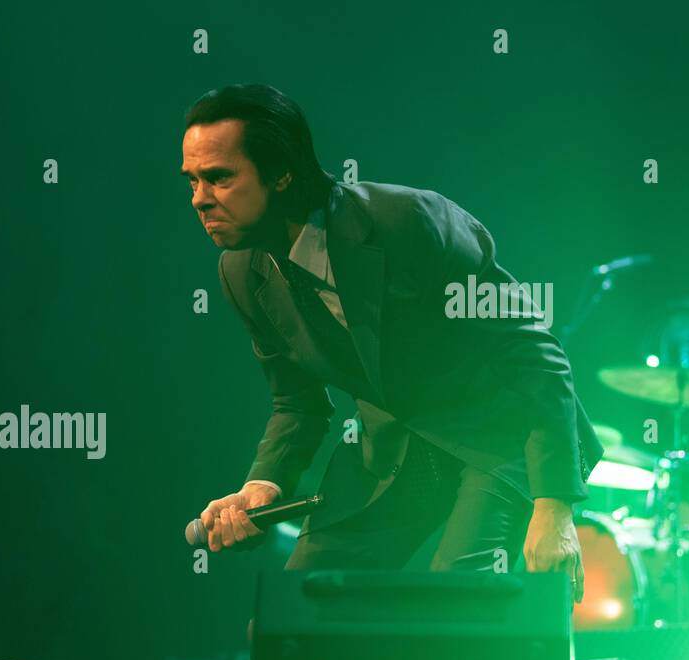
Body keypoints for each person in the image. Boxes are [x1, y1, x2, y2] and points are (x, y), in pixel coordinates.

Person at [183, 84, 602, 596]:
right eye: (193, 181)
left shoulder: (409, 221)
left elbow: (533, 355)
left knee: (454, 614)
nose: (200, 199)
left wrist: (554, 504)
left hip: (497, 437)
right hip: (387, 453)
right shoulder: (241, 273)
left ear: (282, 173)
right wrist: (262, 484)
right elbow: (297, 403)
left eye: (219, 178)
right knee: (299, 612)